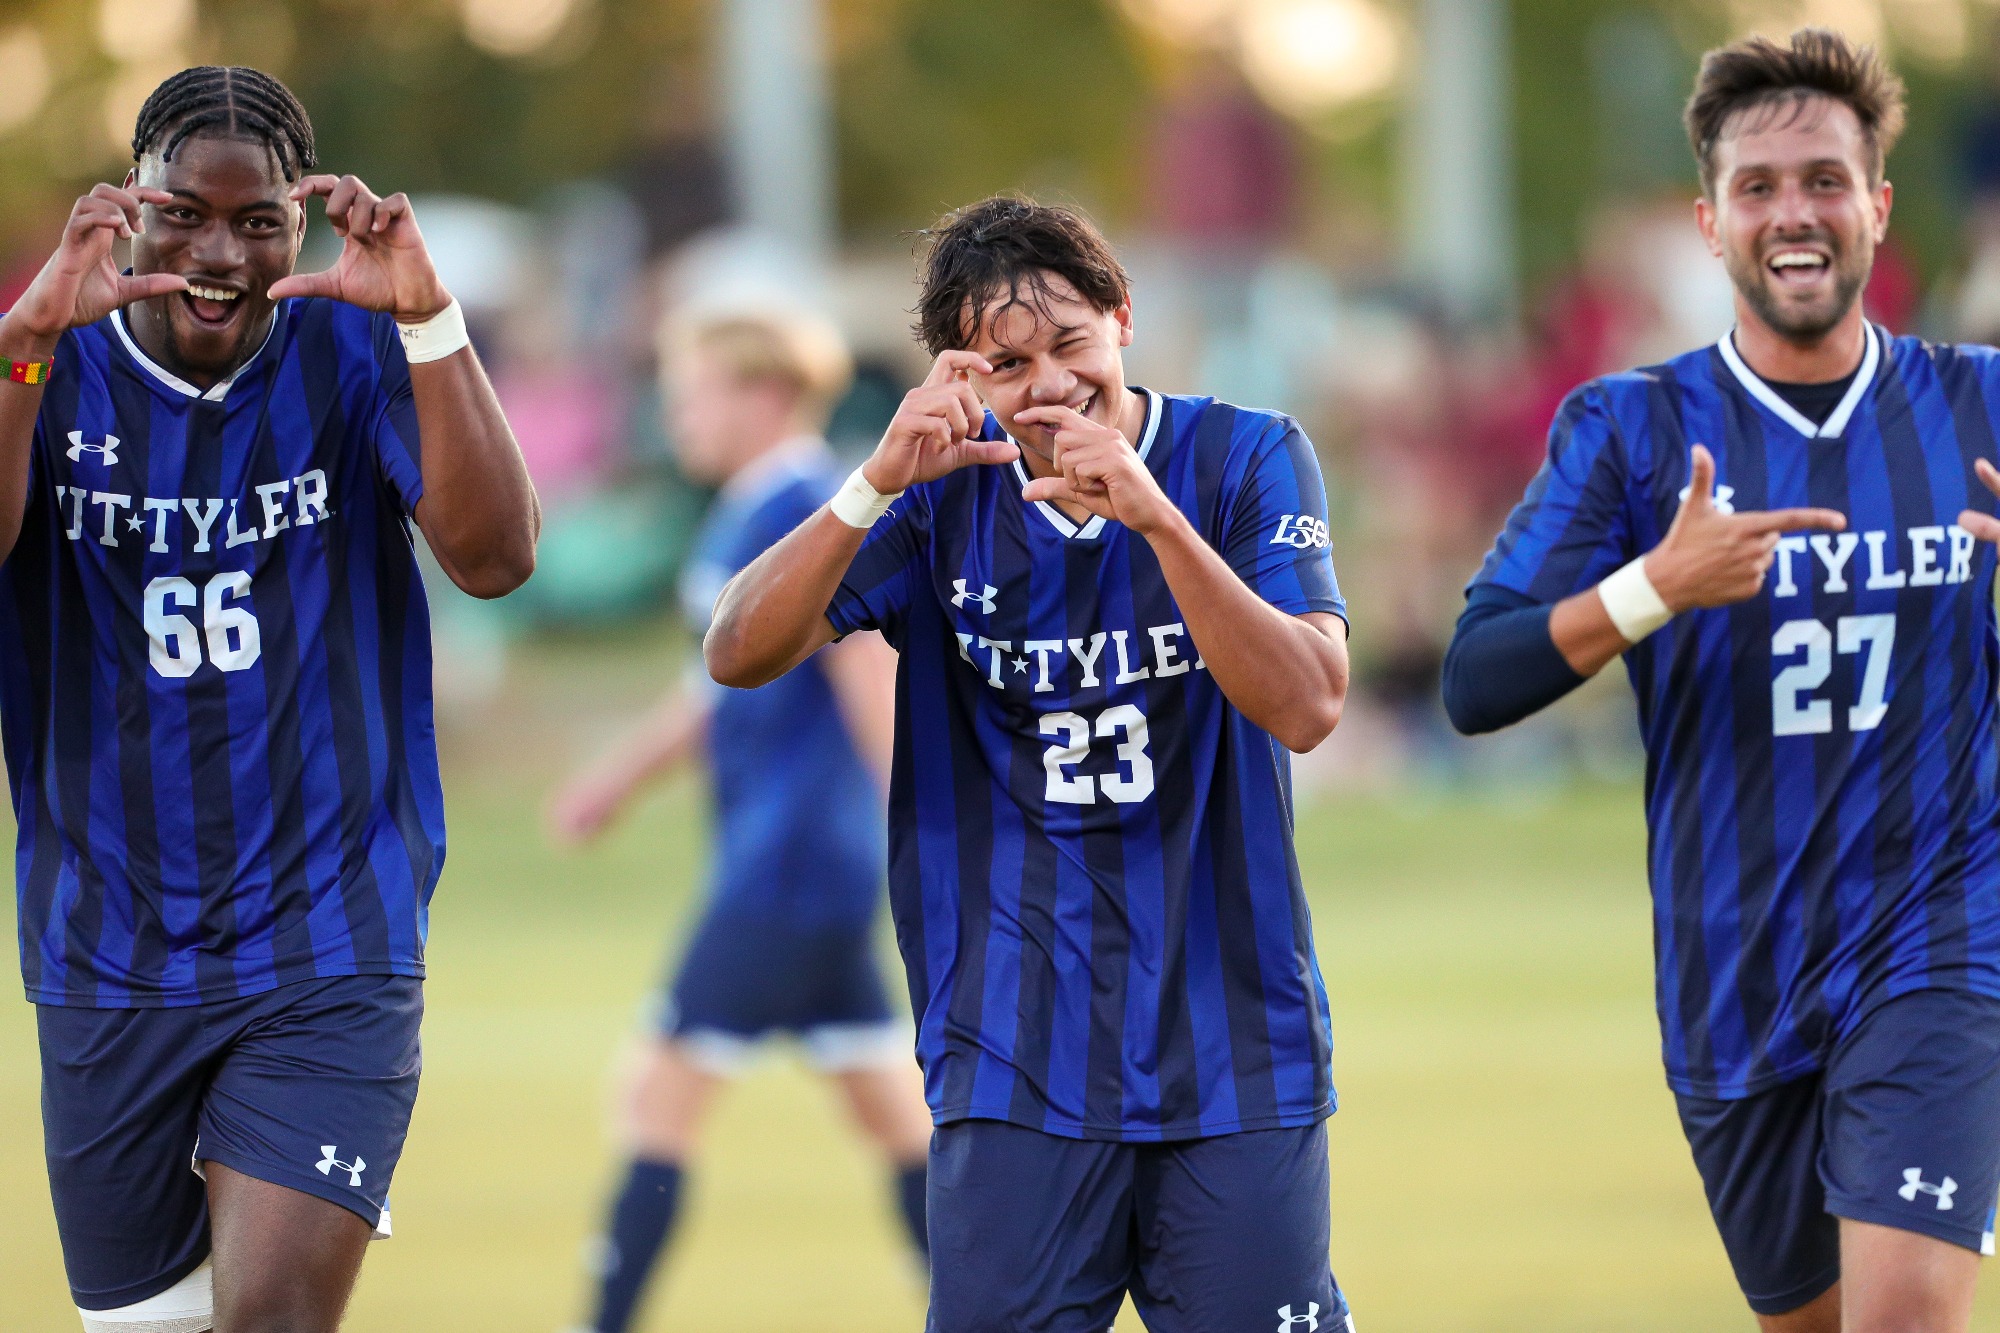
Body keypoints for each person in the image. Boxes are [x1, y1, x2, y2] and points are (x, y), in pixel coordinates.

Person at [704, 196, 1355, 1333]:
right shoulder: (934, 495)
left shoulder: (1246, 456)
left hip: (1236, 1048)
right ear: (961, 374)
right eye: (1007, 363)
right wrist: (871, 482)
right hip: (1013, 1055)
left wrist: (1158, 522)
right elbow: (736, 651)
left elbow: (1308, 703)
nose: (1049, 383)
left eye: (1069, 343)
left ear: (1122, 317)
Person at [1443, 29, 2000, 1333]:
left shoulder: (1978, 406)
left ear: (1877, 207)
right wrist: (1653, 585)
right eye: (1758, 187)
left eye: (1824, 181)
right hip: (1734, 970)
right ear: (1710, 223)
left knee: (1902, 1318)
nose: (1792, 212)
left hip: (1941, 938)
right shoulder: (1627, 429)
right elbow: (1472, 678)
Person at [0, 66, 538, 1332]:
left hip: (328, 933)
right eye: (183, 214)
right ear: (129, 203)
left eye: (256, 222)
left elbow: (495, 557)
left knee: (270, 1320)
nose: (218, 254)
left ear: (299, 221)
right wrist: (22, 353)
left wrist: (431, 320)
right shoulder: (46, 359)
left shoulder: (356, 346)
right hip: (107, 944)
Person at [548, 310, 931, 1333]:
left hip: (789, 863)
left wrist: (927, 830)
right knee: (893, 1112)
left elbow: (867, 673)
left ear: (766, 394)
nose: (676, 417)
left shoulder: (815, 508)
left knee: (653, 1098)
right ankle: (995, 1309)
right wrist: (617, 780)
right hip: (796, 860)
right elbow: (713, 690)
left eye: (693, 395)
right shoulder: (741, 512)